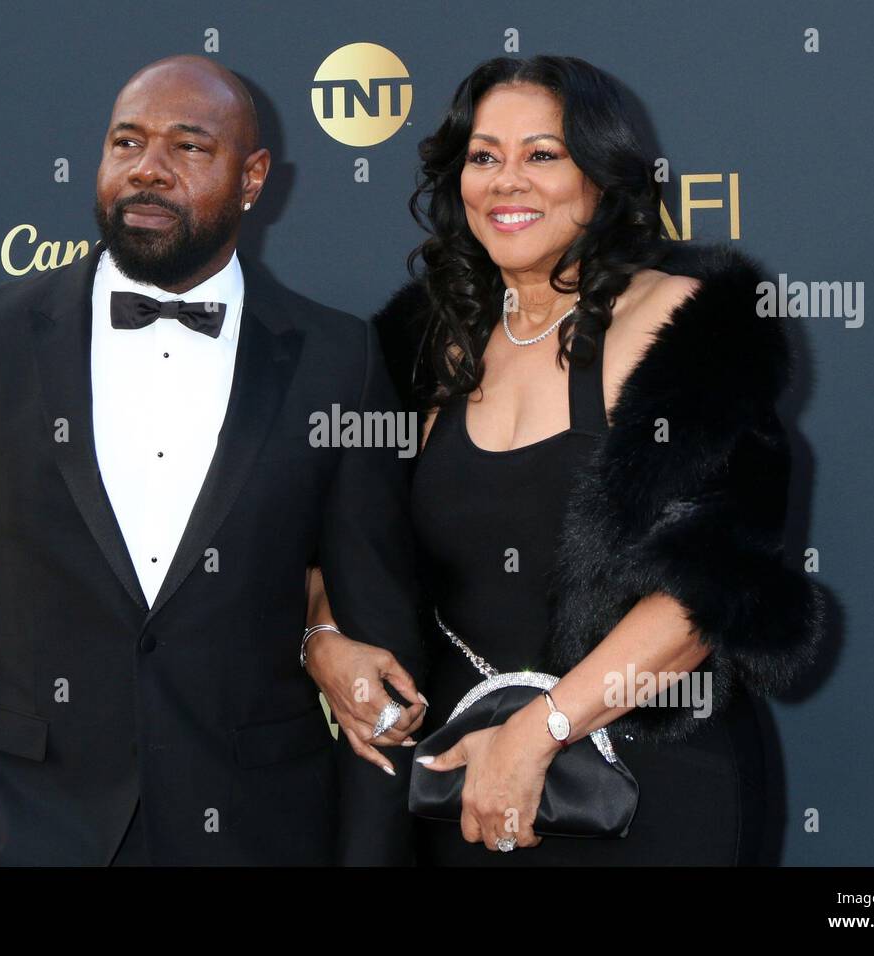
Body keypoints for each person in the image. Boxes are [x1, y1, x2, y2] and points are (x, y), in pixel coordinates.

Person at [0, 54, 426, 866]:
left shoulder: (340, 359)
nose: (147, 170)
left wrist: (364, 851)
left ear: (252, 177)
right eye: (127, 142)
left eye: (189, 148)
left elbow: (379, 630)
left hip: (260, 830)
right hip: (25, 828)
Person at [304, 54, 826, 864]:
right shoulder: (417, 345)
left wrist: (540, 732)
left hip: (651, 780)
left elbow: (707, 590)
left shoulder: (684, 323)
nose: (508, 181)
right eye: (485, 157)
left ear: (603, 177)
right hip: (461, 780)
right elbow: (340, 535)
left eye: (542, 155)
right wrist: (324, 634)